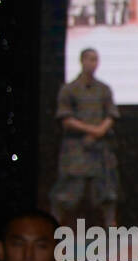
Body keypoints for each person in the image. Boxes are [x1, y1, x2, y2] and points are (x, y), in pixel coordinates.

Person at [49, 48, 120, 228]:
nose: (93, 63)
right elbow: (66, 119)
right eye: (90, 59)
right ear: (82, 61)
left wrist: (100, 130)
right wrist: (90, 129)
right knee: (68, 192)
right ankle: (54, 226)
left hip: (100, 147)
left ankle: (111, 226)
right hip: (76, 147)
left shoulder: (104, 89)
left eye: (96, 59)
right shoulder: (69, 89)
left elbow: (111, 114)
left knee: (107, 191)